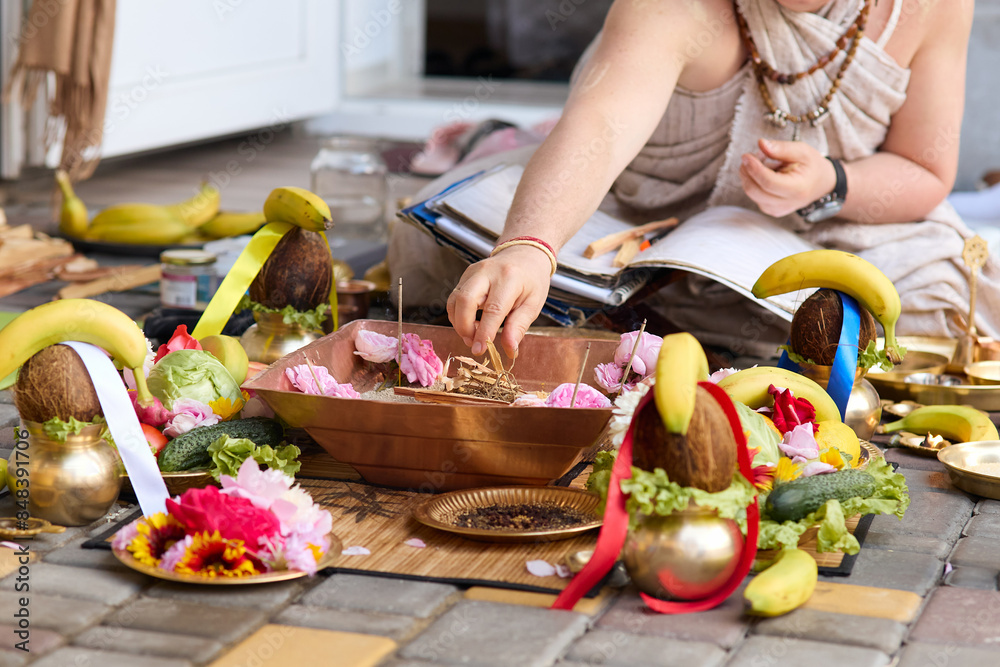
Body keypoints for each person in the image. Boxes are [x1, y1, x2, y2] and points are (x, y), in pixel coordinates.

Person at [390, 0, 992, 360]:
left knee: (938, 303)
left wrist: (832, 182)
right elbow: (600, 123)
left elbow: (923, 169)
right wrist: (529, 244)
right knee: (470, 258)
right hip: (624, 223)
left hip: (818, 230)